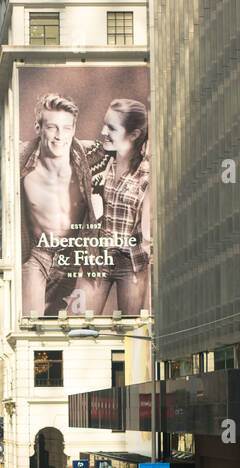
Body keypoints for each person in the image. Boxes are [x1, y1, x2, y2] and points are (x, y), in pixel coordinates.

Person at [71, 98, 151, 316]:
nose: (103, 131)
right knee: (76, 326)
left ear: (133, 135)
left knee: (132, 332)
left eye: (112, 128)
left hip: (132, 262)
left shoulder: (147, 173)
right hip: (98, 256)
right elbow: (63, 145)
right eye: (104, 124)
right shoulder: (97, 158)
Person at [19, 92, 96, 314]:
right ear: (38, 128)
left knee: (66, 330)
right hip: (38, 255)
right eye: (52, 127)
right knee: (32, 325)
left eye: (67, 128)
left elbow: (130, 143)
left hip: (74, 256)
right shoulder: (19, 160)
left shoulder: (88, 156)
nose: (59, 135)